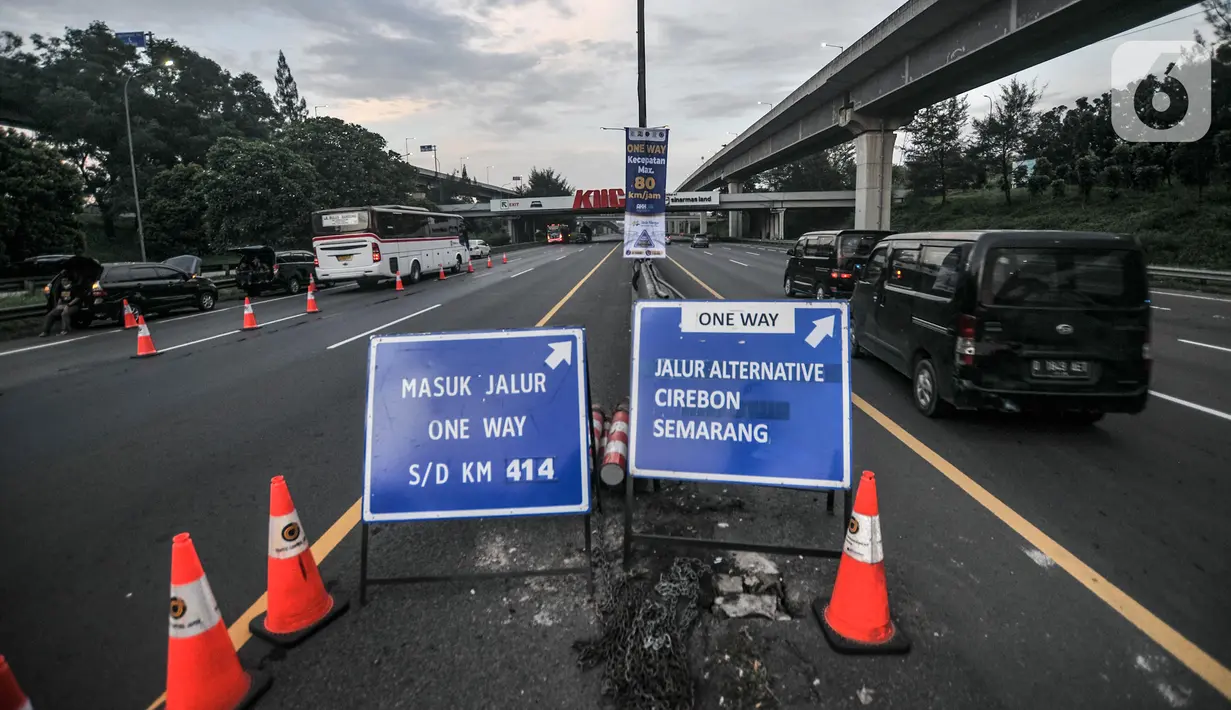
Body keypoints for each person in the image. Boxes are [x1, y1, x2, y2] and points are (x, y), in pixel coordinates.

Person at [40, 271, 83, 337]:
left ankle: (65, 330)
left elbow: (77, 298)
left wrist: (68, 305)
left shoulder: (74, 288)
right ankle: (45, 331)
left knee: (64, 314)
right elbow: (60, 298)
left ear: (69, 281)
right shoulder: (61, 288)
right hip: (63, 305)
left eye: (65, 280)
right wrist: (57, 306)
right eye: (62, 281)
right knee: (50, 314)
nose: (63, 282)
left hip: (73, 305)